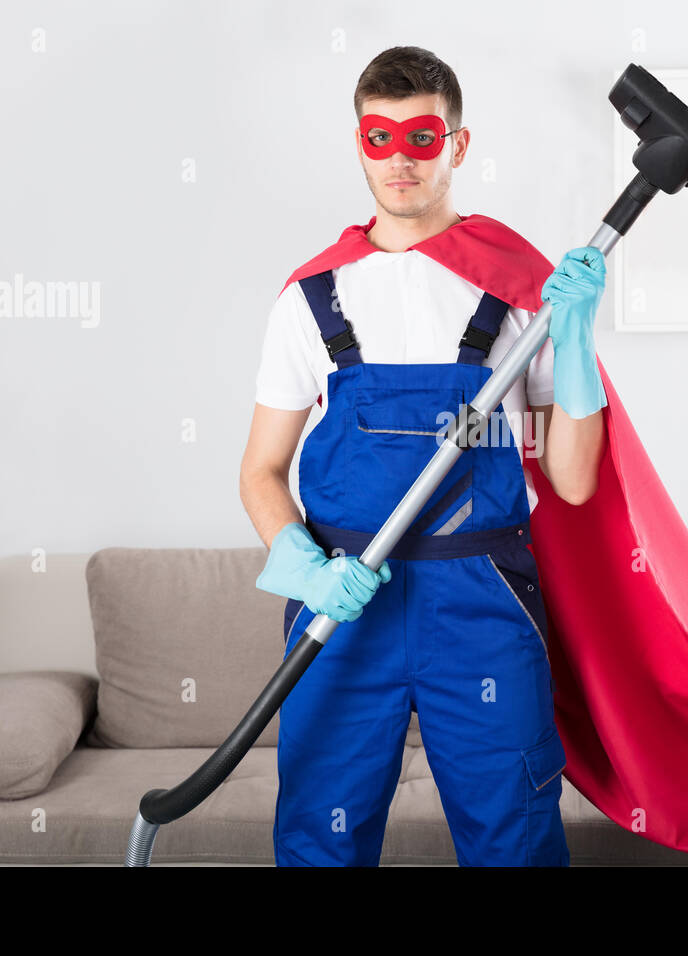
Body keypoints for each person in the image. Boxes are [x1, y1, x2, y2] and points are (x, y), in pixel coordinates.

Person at [239, 45, 606, 867]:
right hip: (346, 604)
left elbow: (575, 479)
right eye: (379, 139)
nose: (400, 160)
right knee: (318, 839)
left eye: (422, 138)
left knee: (512, 833)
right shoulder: (310, 298)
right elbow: (260, 470)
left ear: (458, 145)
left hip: (481, 604)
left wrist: (575, 340)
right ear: (359, 143)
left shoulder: (521, 290)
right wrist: (302, 564)